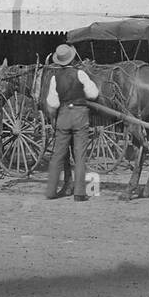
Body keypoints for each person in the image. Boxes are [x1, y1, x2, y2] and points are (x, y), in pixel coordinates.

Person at [43, 43, 100, 201]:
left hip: (63, 117)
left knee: (57, 156)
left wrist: (56, 115)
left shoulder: (54, 77)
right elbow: (93, 93)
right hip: (80, 116)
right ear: (72, 58)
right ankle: (80, 193)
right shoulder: (80, 74)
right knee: (80, 155)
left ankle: (50, 191)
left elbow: (52, 103)